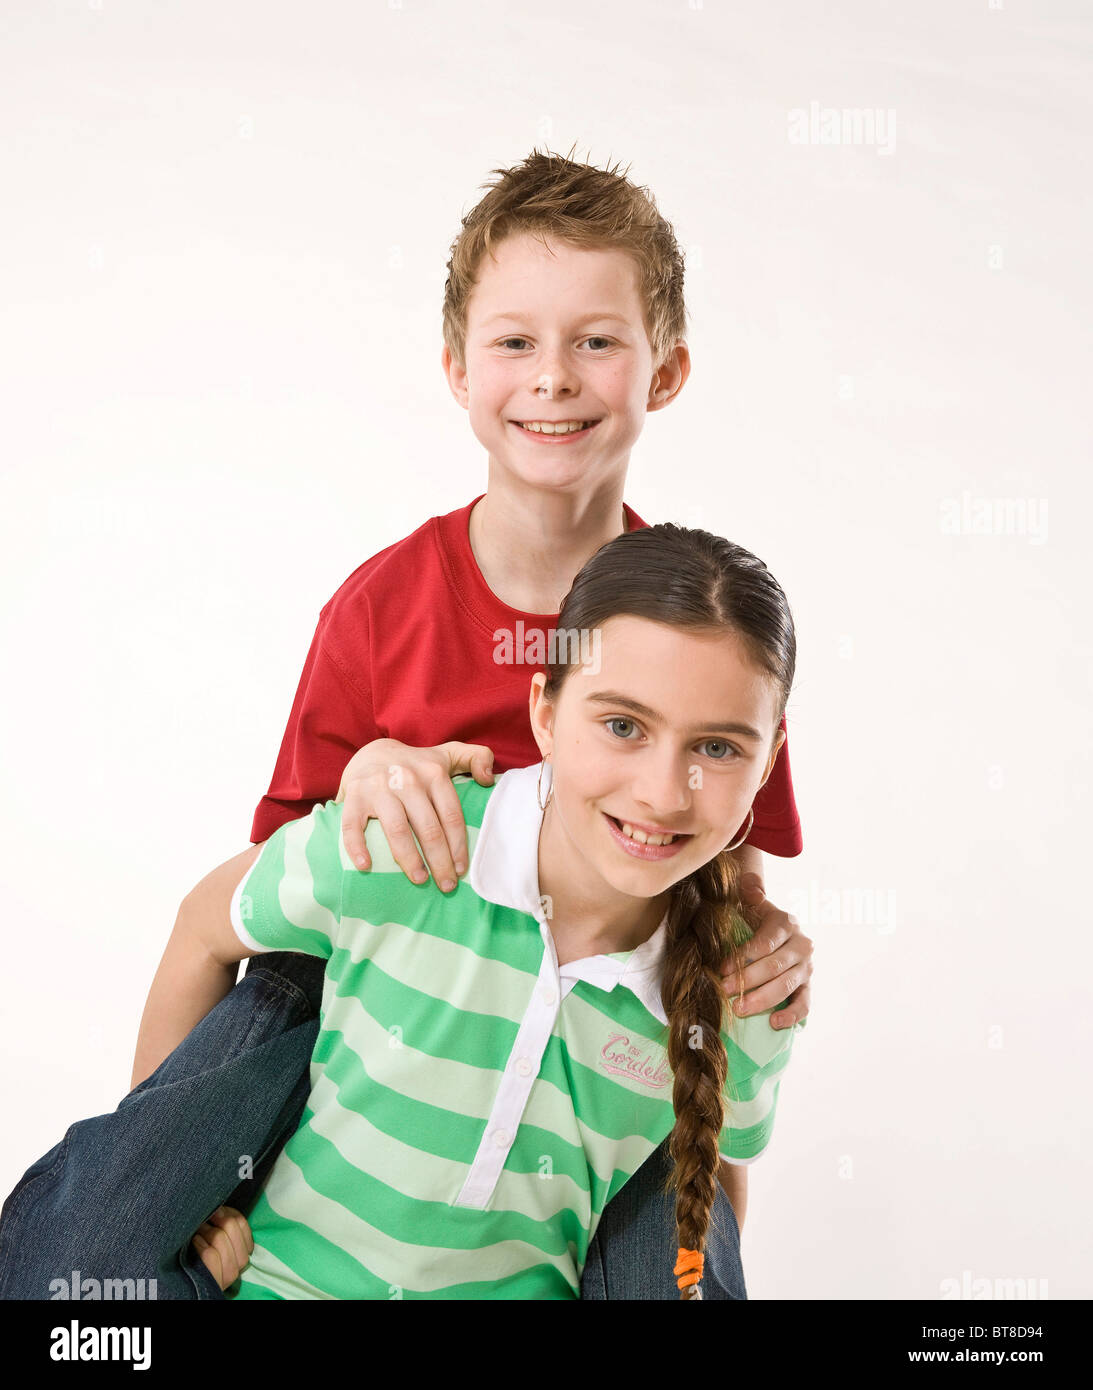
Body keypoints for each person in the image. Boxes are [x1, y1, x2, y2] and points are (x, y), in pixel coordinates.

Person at [0, 148, 813, 1301]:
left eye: (597, 341)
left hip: (596, 1026)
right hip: (353, 987)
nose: (554, 379)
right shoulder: (383, 605)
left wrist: (767, 955)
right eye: (515, 342)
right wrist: (195, 1181)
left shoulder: (697, 631)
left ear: (664, 370)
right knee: (90, 1259)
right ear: (455, 366)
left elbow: (723, 877)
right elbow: (260, 898)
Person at [9, 524, 803, 1300]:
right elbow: (203, 927)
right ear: (543, 713)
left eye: (718, 749)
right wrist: (170, 1196)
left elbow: (701, 1214)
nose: (663, 793)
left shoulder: (747, 988)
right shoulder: (402, 842)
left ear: (768, 761)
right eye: (622, 725)